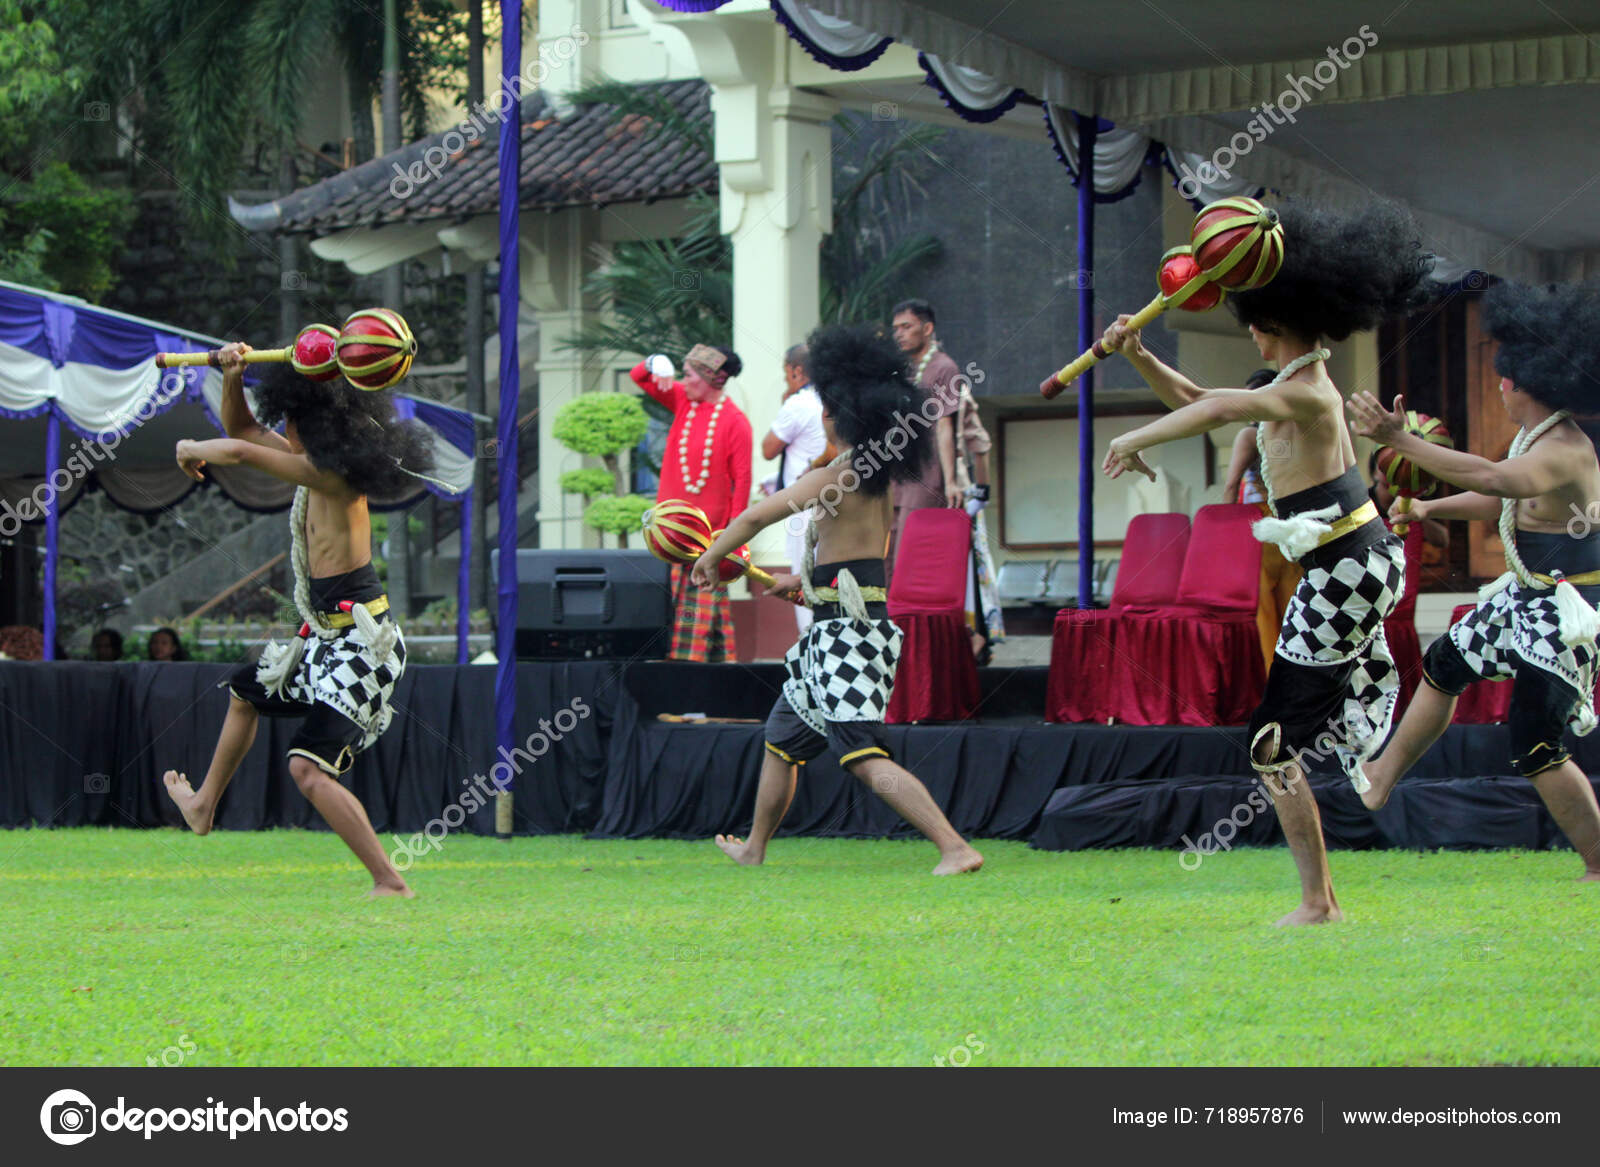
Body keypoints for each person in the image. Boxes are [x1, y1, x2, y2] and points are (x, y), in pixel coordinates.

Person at [1099, 200, 1429, 925]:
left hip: (1348, 567)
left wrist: (1136, 441)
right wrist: (1137, 354)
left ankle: (1322, 896)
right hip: (1347, 564)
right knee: (1280, 739)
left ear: (1262, 322)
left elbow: (1212, 412)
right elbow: (1200, 397)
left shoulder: (1308, 393)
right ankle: (1357, 801)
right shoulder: (1289, 388)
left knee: (1272, 741)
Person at [692, 324, 983, 876]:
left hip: (847, 638)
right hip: (842, 626)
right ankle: (754, 848)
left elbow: (758, 514)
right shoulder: (876, 480)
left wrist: (711, 556)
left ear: (837, 417)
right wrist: (802, 587)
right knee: (782, 739)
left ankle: (954, 846)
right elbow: (859, 566)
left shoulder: (839, 475)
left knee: (862, 754)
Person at [1347, 279, 1600, 881]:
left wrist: (1395, 439)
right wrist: (1432, 510)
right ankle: (1381, 777)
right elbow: (1508, 506)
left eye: (1501, 382)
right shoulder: (1536, 438)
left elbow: (1496, 482)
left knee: (1535, 744)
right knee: (1443, 665)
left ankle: (1598, 864)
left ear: (1519, 384)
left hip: (1569, 610)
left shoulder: (1565, 449)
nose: (1499, 390)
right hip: (1526, 596)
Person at [161, 342, 433, 898]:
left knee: (307, 770)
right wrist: (233, 376)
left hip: (363, 648)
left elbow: (236, 452)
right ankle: (202, 807)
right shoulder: (311, 459)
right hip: (324, 639)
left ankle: (390, 882)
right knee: (245, 692)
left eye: (288, 421)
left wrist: (190, 445)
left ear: (308, 424)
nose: (283, 429)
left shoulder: (330, 474)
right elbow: (240, 432)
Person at [632, 344, 753, 662]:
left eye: (688, 375)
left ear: (714, 378)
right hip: (667, 535)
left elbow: (742, 484)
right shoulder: (683, 400)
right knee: (681, 614)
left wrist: (732, 539)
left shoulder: (735, 422)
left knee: (700, 615)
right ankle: (701, 690)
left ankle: (695, 690)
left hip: (706, 539)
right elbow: (639, 377)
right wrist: (653, 361)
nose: (682, 382)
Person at [887, 299, 961, 585]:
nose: (900, 334)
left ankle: (912, 625)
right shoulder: (900, 369)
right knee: (886, 557)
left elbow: (944, 425)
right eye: (896, 328)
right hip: (893, 477)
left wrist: (950, 481)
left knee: (910, 554)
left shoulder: (944, 367)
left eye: (907, 326)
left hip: (925, 477)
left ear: (927, 328)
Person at [762, 344, 828, 632]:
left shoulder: (797, 403)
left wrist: (785, 401)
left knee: (803, 574)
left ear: (796, 371)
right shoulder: (828, 398)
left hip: (804, 506)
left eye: (786, 373)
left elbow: (768, 448)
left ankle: (809, 643)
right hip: (833, 500)